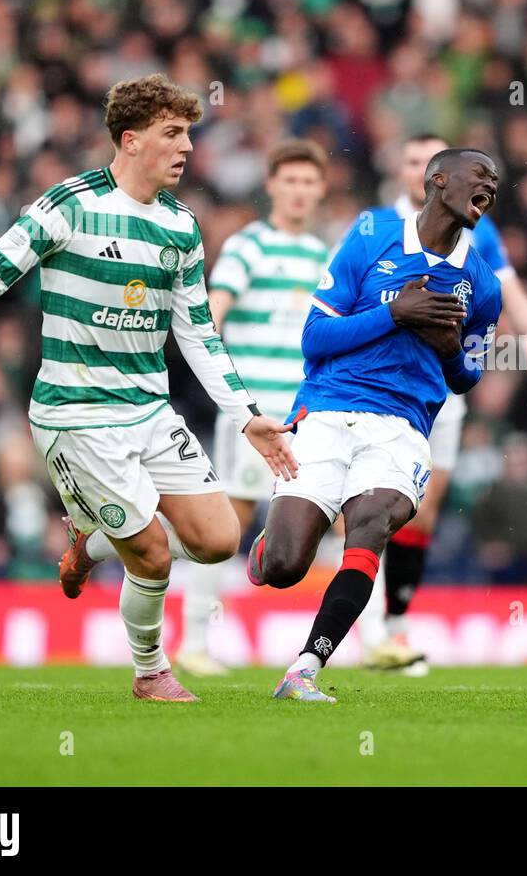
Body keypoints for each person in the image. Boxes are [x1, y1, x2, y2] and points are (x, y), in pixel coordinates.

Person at [0, 74, 297, 701]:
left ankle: (91, 540)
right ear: (130, 141)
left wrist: (246, 415)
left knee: (217, 540)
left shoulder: (181, 225)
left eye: (189, 134)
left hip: (149, 409)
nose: (186, 148)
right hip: (77, 414)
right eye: (172, 134)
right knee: (153, 554)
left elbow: (199, 332)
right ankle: (150, 671)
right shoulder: (68, 206)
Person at [248, 148, 503, 703]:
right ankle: (270, 550)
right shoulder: (369, 239)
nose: (491, 184)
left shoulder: (482, 285)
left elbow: (468, 377)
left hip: (403, 426)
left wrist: (450, 350)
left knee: (371, 523)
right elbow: (314, 338)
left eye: (495, 180)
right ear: (439, 180)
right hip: (328, 408)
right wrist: (394, 314)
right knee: (288, 567)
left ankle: (305, 668)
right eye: (480, 174)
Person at [352, 133, 527, 674]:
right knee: (374, 505)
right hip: (379, 389)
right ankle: (370, 630)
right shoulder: (374, 227)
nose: (421, 167)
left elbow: (507, 289)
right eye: (414, 159)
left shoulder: (476, 230)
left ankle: (394, 626)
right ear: (412, 172)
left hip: (441, 393)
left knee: (421, 509)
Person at [175, 139, 333, 677]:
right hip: (252, 413)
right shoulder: (249, 246)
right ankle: (195, 642)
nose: (298, 191)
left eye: (308, 182)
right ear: (271, 186)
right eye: (289, 181)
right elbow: (212, 312)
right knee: (228, 525)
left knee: (333, 516)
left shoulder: (322, 256)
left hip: (307, 414)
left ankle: (367, 637)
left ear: (320, 191)